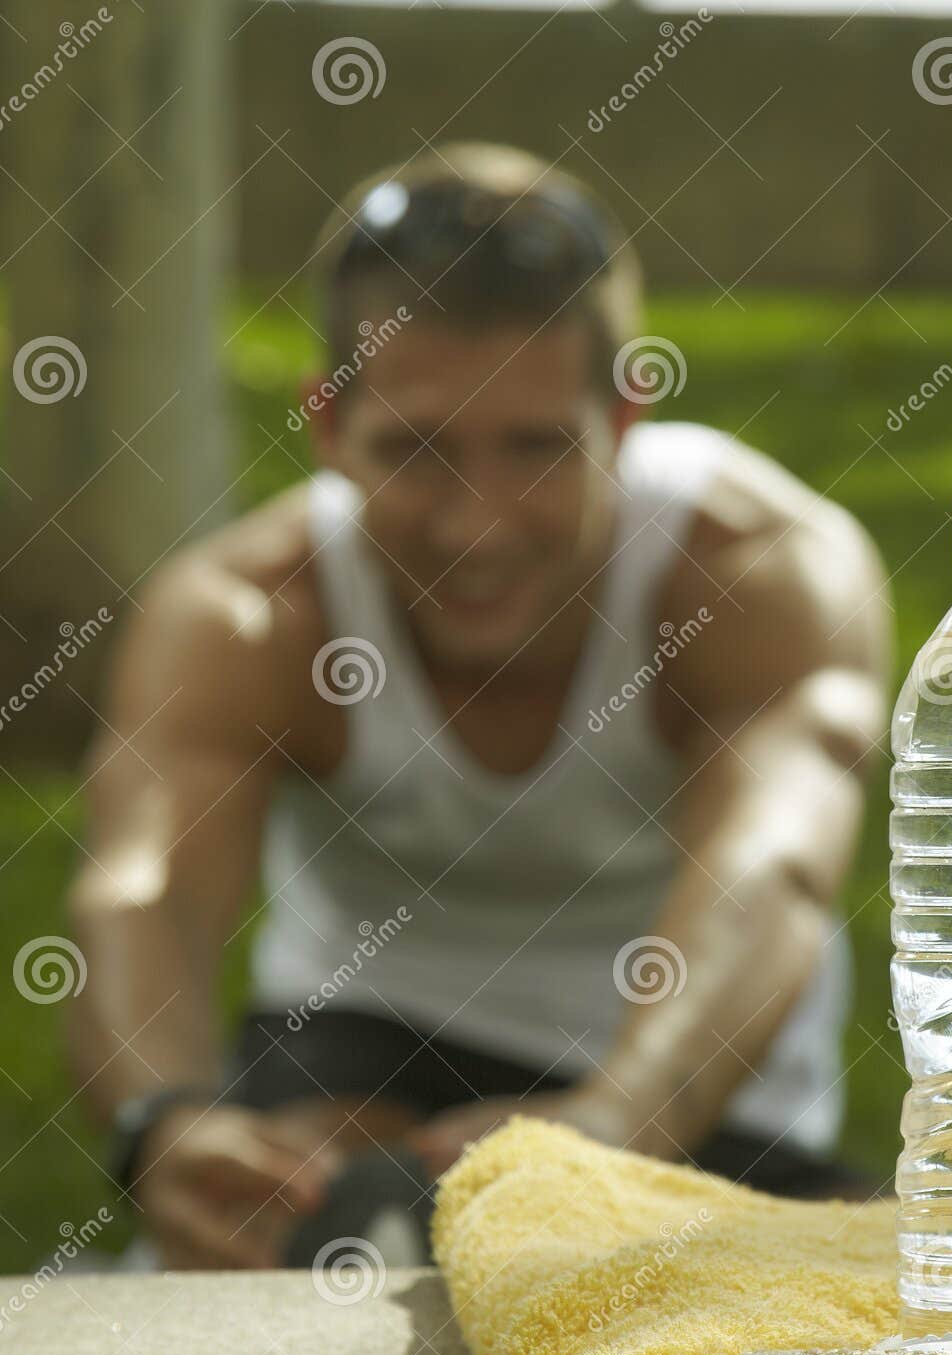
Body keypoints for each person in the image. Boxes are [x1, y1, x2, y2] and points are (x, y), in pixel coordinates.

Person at [68, 143, 889, 1271]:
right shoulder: (250, 613)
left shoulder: (758, 573)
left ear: (625, 415)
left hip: (686, 1080)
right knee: (302, 1224)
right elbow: (146, 889)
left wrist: (615, 1123)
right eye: (415, 450)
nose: (477, 526)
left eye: (537, 449)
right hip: (362, 1049)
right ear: (324, 424)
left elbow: (773, 876)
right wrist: (164, 1120)